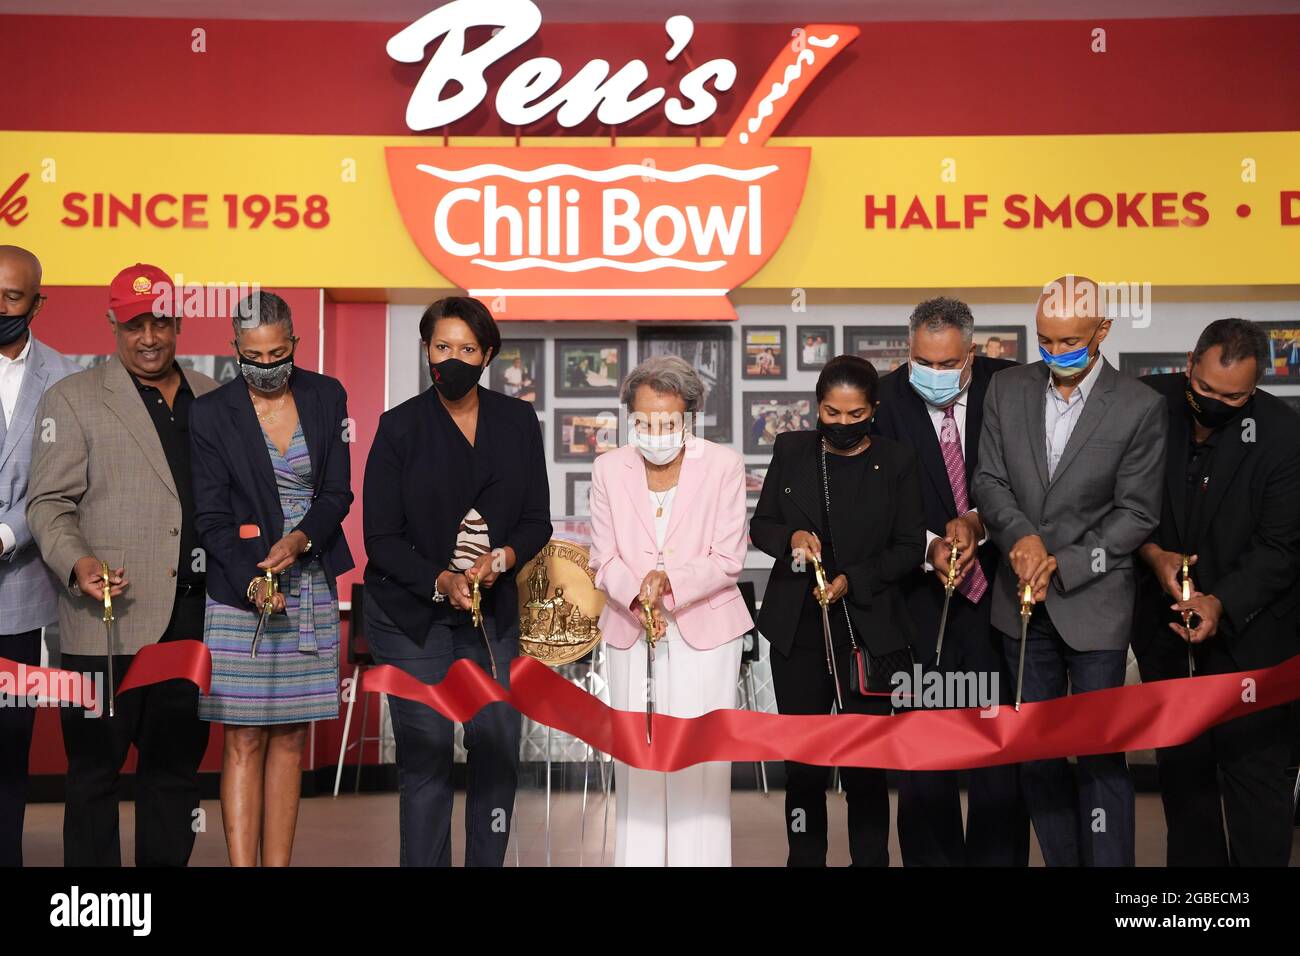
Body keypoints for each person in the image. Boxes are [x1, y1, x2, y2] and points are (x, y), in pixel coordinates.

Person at [27, 262, 218, 866]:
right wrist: (77, 560)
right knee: (92, 778)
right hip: (103, 620)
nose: (149, 337)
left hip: (192, 620)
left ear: (179, 321)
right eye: (135, 324)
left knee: (173, 776)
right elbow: (49, 504)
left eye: (161, 321)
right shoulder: (73, 399)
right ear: (113, 322)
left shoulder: (213, 398)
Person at [971, 275, 1166, 867]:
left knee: (1101, 755)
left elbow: (1138, 512)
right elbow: (989, 481)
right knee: (1037, 753)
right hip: (1020, 607)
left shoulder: (1140, 406)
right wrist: (1022, 537)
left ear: (1102, 331)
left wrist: (1069, 562)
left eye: (1070, 341)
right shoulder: (1006, 389)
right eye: (1046, 341)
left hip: (1096, 606)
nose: (1056, 353)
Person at [362, 296, 550, 866]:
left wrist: (505, 557)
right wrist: (441, 579)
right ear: (425, 351)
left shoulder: (517, 422)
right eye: (441, 347)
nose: (453, 359)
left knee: (496, 753)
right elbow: (381, 538)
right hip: (411, 618)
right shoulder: (399, 428)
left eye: (467, 349)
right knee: (427, 757)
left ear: (488, 354)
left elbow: (535, 520)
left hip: (490, 618)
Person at [189, 291, 354, 866]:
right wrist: (251, 582)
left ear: (295, 344)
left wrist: (301, 539)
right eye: (253, 357)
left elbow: (338, 492)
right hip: (240, 592)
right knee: (243, 735)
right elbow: (210, 518)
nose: (266, 367)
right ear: (235, 349)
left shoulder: (327, 395)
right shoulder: (211, 413)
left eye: (277, 354)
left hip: (310, 582)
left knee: (289, 736)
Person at [1133, 318, 1300, 866]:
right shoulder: (1146, 404)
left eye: (1236, 397)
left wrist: (1218, 601)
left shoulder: (1283, 435)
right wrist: (1153, 554)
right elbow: (1113, 502)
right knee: (1185, 790)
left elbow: (1281, 548)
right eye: (1206, 390)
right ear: (1188, 363)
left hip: (1255, 644)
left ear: (1255, 388)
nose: (1217, 403)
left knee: (1257, 791)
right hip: (1165, 636)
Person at [871, 296, 1029, 867]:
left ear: (972, 354)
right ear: (907, 351)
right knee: (925, 760)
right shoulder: (884, 400)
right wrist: (927, 546)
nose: (933, 375)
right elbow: (870, 504)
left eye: (947, 365)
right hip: (917, 607)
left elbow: (1034, 484)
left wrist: (981, 524)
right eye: (922, 362)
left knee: (1000, 756)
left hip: (1001, 602)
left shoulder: (1011, 388)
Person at [751, 355, 925, 866]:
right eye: (832, 414)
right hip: (797, 632)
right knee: (803, 764)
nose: (843, 425)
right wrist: (792, 538)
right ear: (817, 408)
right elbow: (762, 525)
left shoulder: (897, 461)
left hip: (868, 633)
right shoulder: (793, 449)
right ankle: (804, 860)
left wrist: (854, 579)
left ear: (873, 409)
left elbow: (909, 546)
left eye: (855, 415)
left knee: (865, 764)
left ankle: (870, 861)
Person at [588, 355, 752, 866]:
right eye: (643, 420)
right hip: (629, 625)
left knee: (701, 758)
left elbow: (728, 559)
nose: (655, 431)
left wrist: (671, 583)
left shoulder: (723, 465)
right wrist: (638, 593)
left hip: (706, 630)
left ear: (690, 417)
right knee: (637, 755)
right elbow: (602, 558)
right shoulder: (608, 468)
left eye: (667, 421)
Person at [0, 245, 81, 867]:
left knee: (9, 746)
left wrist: (6, 535)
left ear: (38, 302)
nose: (0, 307)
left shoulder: (65, 376)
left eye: (13, 297)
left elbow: (63, 487)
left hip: (21, 598)